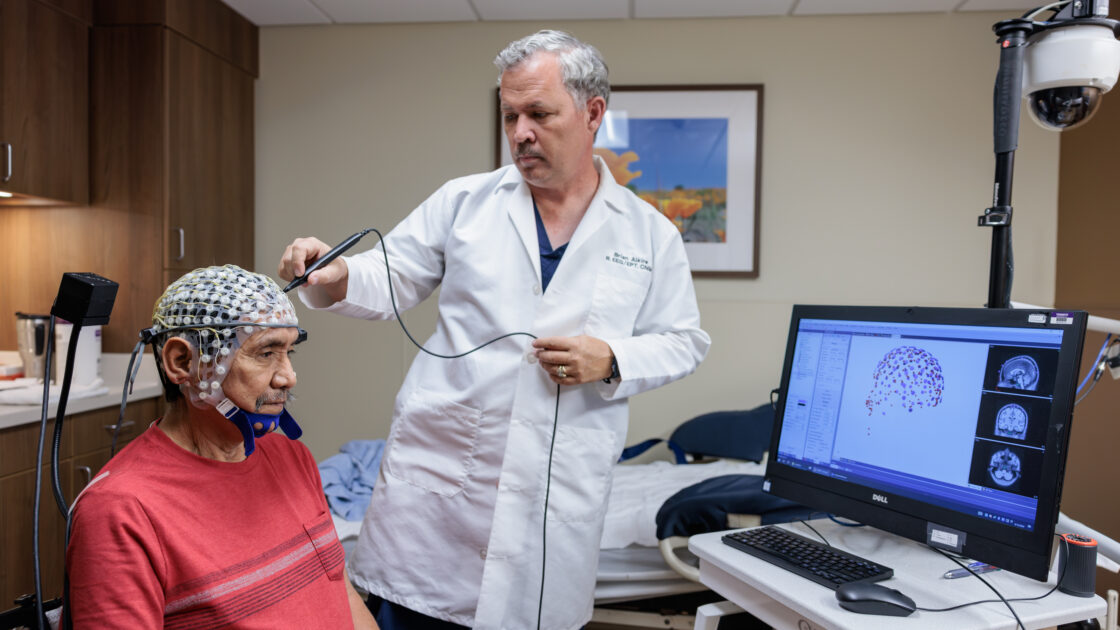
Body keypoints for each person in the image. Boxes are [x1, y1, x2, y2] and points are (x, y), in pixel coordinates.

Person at [278, 30, 711, 630]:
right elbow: (388, 276)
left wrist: (610, 358)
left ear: (593, 114)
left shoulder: (648, 233)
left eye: (539, 113)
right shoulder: (464, 203)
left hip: (553, 504)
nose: (520, 132)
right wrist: (334, 271)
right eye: (510, 115)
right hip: (437, 504)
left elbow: (684, 340)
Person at [65, 265, 378, 629]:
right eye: (265, 353)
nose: (289, 376)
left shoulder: (292, 457)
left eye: (290, 351)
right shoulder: (120, 510)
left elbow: (339, 589)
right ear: (183, 362)